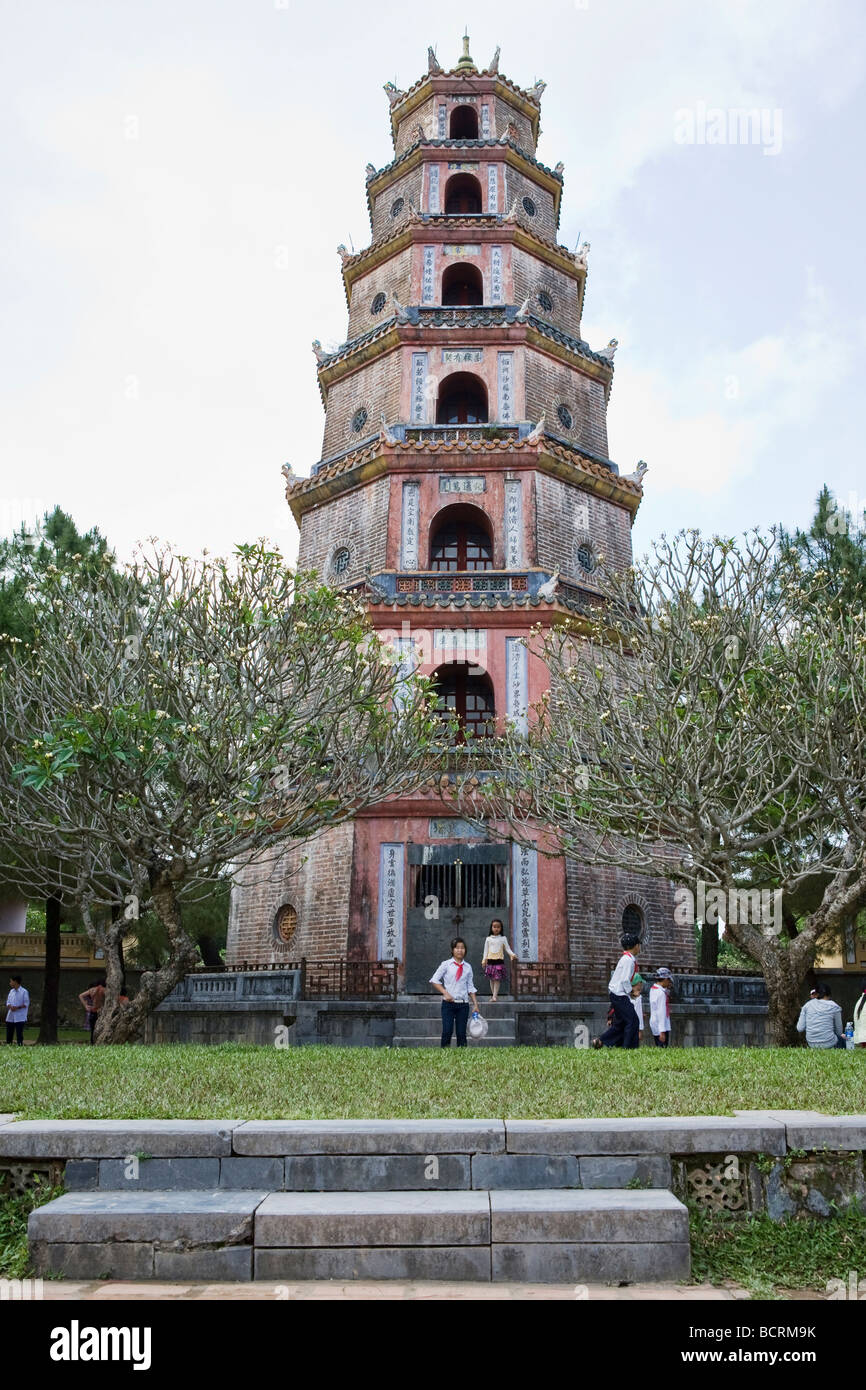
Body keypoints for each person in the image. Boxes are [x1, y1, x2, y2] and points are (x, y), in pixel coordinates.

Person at [430, 938, 479, 1048]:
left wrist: (475, 1004)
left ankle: (461, 1058)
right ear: (452, 950)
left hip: (463, 1004)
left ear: (465, 950)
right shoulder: (446, 964)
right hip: (448, 1004)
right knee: (447, 1031)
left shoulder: (468, 967)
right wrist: (445, 993)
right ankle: (444, 1056)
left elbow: (470, 987)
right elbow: (434, 980)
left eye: (462, 948)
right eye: (457, 948)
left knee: (461, 1033)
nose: (460, 950)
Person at [597, 933, 641, 1048]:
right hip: (619, 995)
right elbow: (625, 980)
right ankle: (628, 1047)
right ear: (636, 946)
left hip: (616, 994)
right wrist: (632, 992)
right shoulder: (628, 961)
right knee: (633, 1020)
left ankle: (602, 1040)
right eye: (639, 945)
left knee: (621, 1023)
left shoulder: (625, 958)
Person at [796, 983, 845, 1049]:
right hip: (830, 1043)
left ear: (816, 994)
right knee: (843, 1039)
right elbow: (839, 1032)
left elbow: (800, 1028)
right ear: (829, 994)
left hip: (811, 1043)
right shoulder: (835, 1007)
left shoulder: (807, 1006)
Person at [481, 918, 518, 1002]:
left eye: (498, 927)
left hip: (499, 961)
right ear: (491, 928)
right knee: (491, 979)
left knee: (497, 979)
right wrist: (484, 960)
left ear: (501, 928)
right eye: (494, 927)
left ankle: (494, 996)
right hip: (490, 961)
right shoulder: (488, 939)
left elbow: (508, 949)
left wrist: (512, 954)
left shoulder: (503, 938)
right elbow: (485, 951)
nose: (496, 928)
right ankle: (493, 994)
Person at [649, 967, 673, 1047]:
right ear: (665, 979)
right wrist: (662, 1031)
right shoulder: (661, 994)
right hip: (661, 1025)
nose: (669, 982)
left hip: (655, 1023)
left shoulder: (653, 990)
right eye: (669, 980)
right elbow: (661, 1012)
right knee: (662, 1047)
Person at [79, 977, 106, 1044]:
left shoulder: (91, 990)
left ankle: (92, 1043)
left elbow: (81, 995)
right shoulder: (104, 990)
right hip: (100, 1012)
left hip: (92, 1011)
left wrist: (85, 1005)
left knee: (93, 1030)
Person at [5, 975, 30, 1046]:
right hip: (10, 1015)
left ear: (15, 982)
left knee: (19, 1033)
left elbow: (26, 1004)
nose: (10, 983)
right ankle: (8, 1045)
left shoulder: (24, 992)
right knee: (9, 1032)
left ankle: (19, 1045)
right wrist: (10, 1006)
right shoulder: (11, 991)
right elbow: (8, 1002)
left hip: (20, 1016)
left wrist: (17, 1007)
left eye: (11, 981)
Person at [630, 974, 645, 1042]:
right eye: (640, 984)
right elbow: (639, 1015)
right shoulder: (638, 998)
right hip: (634, 1026)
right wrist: (640, 1030)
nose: (641, 986)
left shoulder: (625, 996)